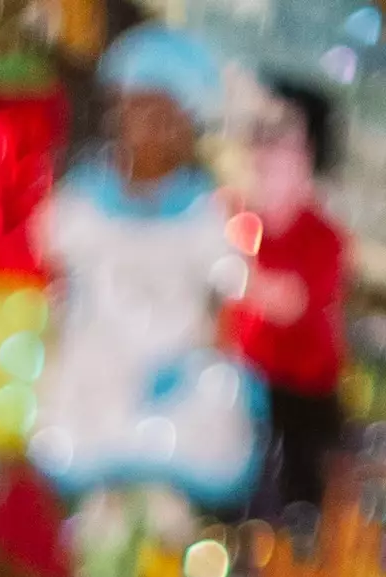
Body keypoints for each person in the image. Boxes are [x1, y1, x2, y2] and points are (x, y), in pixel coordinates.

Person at [31, 25, 260, 518]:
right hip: (95, 369)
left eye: (168, 117)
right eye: (140, 111)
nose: (151, 129)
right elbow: (54, 277)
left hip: (172, 378)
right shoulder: (85, 200)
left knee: (206, 407)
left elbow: (224, 298)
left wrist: (195, 361)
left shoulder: (205, 211)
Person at [227, 77, 349, 528]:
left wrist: (231, 276)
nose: (263, 150)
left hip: (299, 410)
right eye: (257, 135)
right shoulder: (234, 220)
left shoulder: (323, 236)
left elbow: (291, 301)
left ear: (310, 151)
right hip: (238, 401)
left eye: (279, 137)